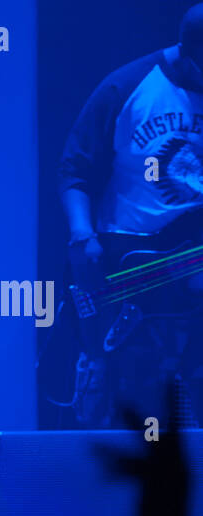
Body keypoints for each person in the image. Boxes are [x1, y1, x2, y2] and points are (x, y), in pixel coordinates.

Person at [59, 5, 203, 427]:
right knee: (137, 406)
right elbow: (75, 169)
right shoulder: (127, 86)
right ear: (188, 53)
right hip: (132, 256)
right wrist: (81, 234)